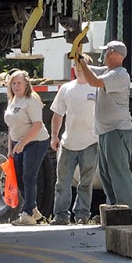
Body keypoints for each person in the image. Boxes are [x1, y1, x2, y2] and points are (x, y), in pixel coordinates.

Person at [72, 40, 132, 209]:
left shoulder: (119, 74)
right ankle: (114, 210)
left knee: (119, 173)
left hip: (117, 131)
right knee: (106, 175)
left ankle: (127, 211)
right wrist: (78, 56)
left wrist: (82, 61)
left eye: (106, 52)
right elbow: (86, 72)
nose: (103, 55)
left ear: (113, 54)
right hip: (107, 132)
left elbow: (94, 81)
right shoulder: (108, 71)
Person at [49, 62, 100, 224]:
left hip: (90, 142)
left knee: (86, 182)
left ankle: (82, 215)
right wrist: (54, 136)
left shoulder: (96, 88)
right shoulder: (66, 89)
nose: (79, 71)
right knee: (62, 182)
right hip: (68, 142)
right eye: (76, 68)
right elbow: (58, 114)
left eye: (81, 68)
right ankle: (60, 216)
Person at [4, 70, 49, 225]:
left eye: (19, 83)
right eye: (13, 83)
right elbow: (11, 126)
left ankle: (27, 213)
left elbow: (37, 125)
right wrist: (11, 148)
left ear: (26, 85)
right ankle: (33, 208)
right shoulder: (13, 100)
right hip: (18, 144)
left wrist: (22, 143)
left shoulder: (31, 100)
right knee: (19, 177)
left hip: (35, 141)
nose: (16, 86)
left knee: (29, 176)